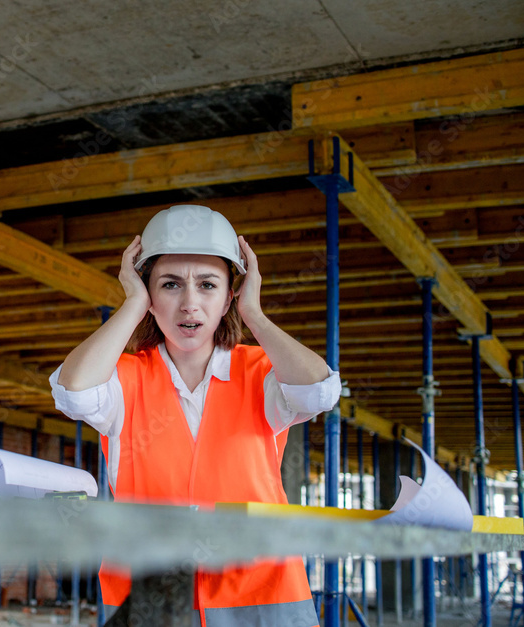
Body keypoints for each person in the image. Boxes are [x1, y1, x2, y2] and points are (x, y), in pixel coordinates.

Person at [50, 205, 341, 626]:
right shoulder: (124, 379)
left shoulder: (262, 374)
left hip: (261, 596)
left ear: (228, 298)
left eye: (208, 285)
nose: (190, 304)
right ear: (150, 296)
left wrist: (254, 314)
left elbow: (321, 391)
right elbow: (73, 392)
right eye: (170, 285)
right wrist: (133, 304)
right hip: (151, 600)